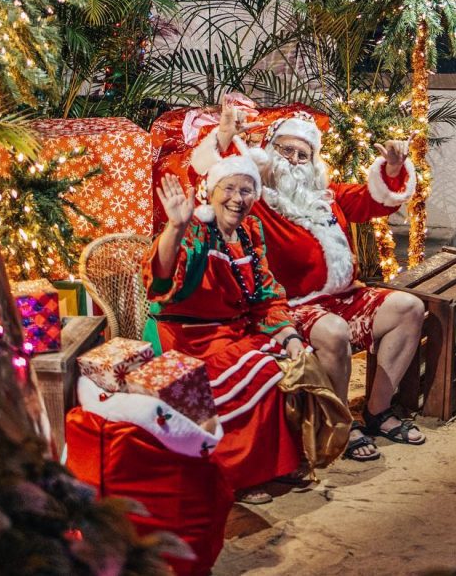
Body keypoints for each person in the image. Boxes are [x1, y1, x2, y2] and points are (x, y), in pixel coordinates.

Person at [190, 105, 427, 461]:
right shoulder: (256, 200)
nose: (295, 160)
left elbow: (373, 201)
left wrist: (392, 169)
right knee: (333, 331)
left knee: (410, 308)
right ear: (268, 152)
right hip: (292, 307)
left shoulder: (326, 197)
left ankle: (377, 411)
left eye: (304, 154)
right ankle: (341, 422)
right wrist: (225, 133)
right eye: (286, 150)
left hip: (344, 297)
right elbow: (218, 176)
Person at [143, 156, 304, 505]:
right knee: (259, 370)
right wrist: (174, 228)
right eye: (228, 188)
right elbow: (162, 277)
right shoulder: (196, 229)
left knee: (281, 359)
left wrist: (289, 335)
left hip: (231, 334)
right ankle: (236, 476)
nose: (237, 197)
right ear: (210, 192)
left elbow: (265, 296)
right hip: (186, 338)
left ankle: (273, 464)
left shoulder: (249, 233)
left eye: (246, 190)